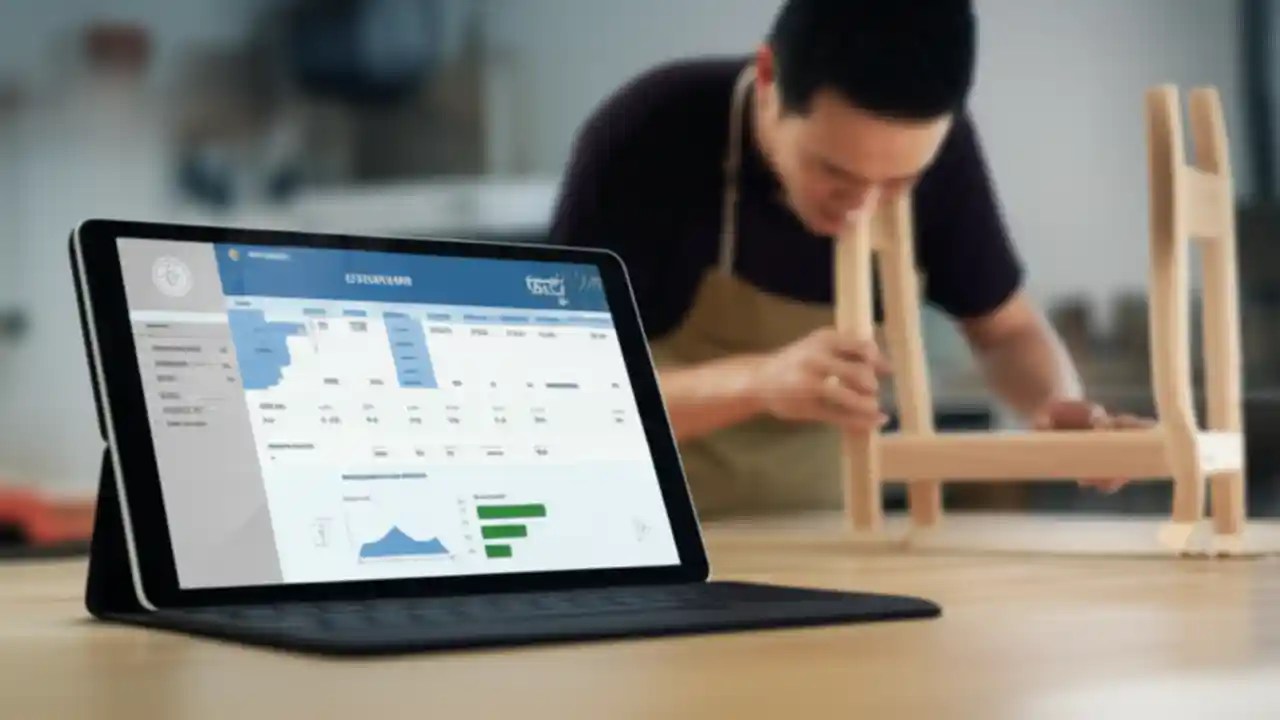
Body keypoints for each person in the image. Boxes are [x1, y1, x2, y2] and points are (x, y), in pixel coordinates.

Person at [549, 0, 1145, 518]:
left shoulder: (942, 153)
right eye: (833, 171)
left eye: (898, 182)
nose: (861, 209)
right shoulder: (649, 134)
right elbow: (558, 399)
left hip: (829, 536)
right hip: (647, 539)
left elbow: (1007, 330)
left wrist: (1060, 407)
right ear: (767, 79)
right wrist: (758, 382)